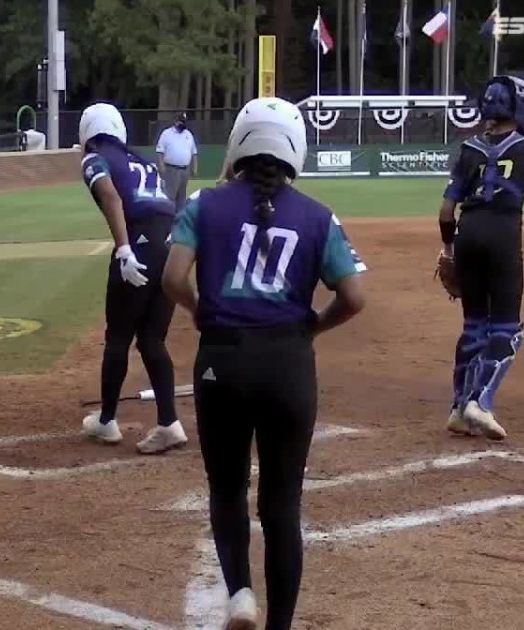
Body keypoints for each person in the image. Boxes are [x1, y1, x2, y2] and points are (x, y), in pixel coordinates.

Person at [161, 97, 368, 629]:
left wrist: (201, 308)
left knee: (227, 486)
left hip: (222, 361)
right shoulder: (320, 216)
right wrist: (310, 328)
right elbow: (354, 296)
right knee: (282, 505)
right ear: (294, 150)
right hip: (288, 364)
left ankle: (240, 594)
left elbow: (172, 277)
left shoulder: (203, 205)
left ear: (239, 145)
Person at [77, 103, 185, 455]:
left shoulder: (95, 157)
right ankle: (169, 423)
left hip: (139, 243)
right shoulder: (141, 159)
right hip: (171, 243)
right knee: (153, 339)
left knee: (118, 337)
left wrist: (123, 248)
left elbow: (109, 194)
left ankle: (107, 421)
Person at [438, 76, 524, 441]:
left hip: (467, 234)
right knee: (508, 329)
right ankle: (479, 401)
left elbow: (446, 210)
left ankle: (457, 408)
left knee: (474, 325)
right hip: (502, 237)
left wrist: (448, 248)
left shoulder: (467, 148)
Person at [155, 112, 199, 212]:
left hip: (185, 170)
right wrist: (161, 167)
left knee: (181, 197)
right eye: (181, 121)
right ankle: (168, 218)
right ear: (175, 121)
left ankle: (178, 219)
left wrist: (194, 168)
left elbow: (194, 152)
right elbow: (160, 151)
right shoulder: (167, 134)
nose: (182, 124)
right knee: (170, 196)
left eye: (184, 122)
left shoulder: (188, 134)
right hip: (171, 169)